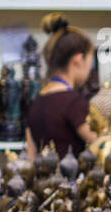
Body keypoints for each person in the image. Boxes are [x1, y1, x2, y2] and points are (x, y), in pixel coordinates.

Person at [25, 13, 98, 159]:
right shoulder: (73, 102)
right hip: (72, 180)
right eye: (90, 62)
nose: (90, 70)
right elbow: (101, 144)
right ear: (78, 59)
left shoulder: (37, 101)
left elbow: (31, 157)